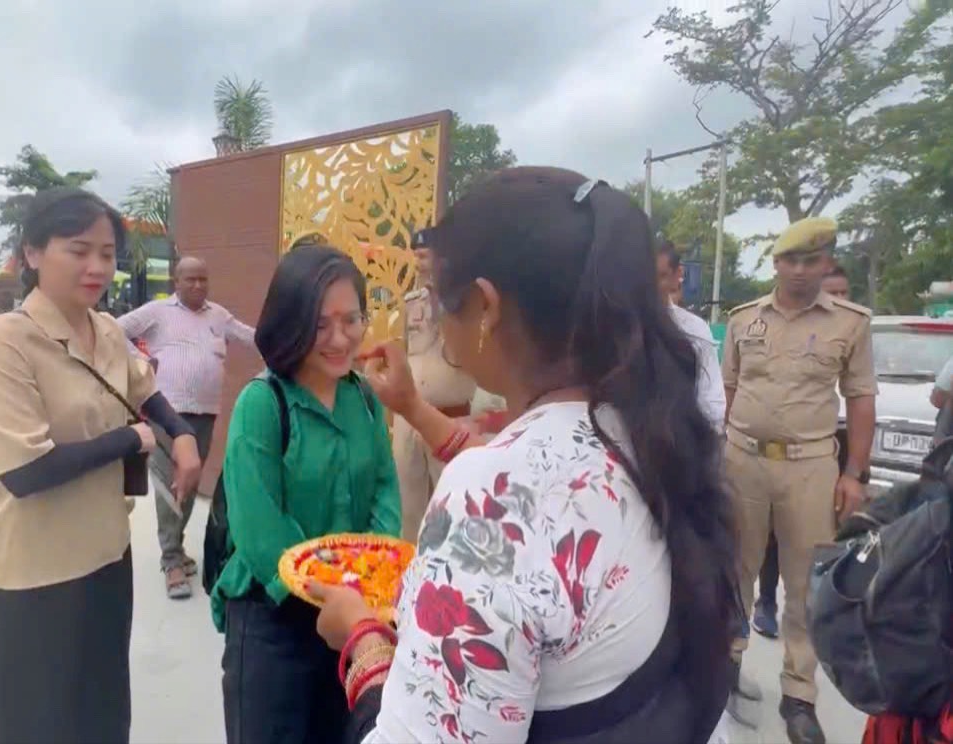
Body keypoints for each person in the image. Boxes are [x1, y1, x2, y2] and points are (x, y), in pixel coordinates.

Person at [308, 167, 738, 744]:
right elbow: (538, 484)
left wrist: (364, 640)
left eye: (443, 299)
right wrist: (411, 405)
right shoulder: (650, 428)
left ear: (485, 306)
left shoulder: (490, 498)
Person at [0, 187, 201, 744]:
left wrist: (182, 433)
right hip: (32, 577)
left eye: (107, 253)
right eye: (79, 250)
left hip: (106, 559)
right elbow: (26, 472)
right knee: (36, 727)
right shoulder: (3, 341)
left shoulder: (108, 330)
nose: (98, 266)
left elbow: (145, 392)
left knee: (104, 717)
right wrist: (130, 440)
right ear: (32, 252)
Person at [211, 244, 402, 744]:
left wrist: (373, 572)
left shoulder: (363, 397)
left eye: (351, 320)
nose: (340, 339)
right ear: (291, 323)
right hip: (275, 617)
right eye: (320, 325)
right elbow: (259, 530)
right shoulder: (263, 402)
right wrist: (328, 589)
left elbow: (384, 486)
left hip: (351, 616)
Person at [723, 216, 877, 744]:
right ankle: (726, 670)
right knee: (735, 571)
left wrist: (854, 474)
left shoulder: (850, 324)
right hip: (742, 460)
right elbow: (727, 391)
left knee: (804, 583)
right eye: (790, 259)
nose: (799, 270)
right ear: (776, 264)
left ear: (826, 263)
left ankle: (799, 695)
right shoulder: (744, 320)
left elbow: (860, 399)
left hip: (810, 466)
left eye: (811, 260)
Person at [117, 256, 256, 599]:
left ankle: (176, 547)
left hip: (204, 414)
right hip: (167, 413)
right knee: (170, 483)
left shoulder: (218, 315)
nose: (197, 285)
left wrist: (288, 335)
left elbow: (251, 337)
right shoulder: (158, 311)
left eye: (202, 279)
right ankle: (171, 561)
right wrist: (141, 360)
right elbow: (114, 330)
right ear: (175, 281)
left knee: (190, 482)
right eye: (190, 279)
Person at [752, 259, 855, 641]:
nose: (840, 299)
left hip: (831, 444)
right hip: (784, 449)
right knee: (771, 534)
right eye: (833, 292)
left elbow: (863, 397)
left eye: (845, 292)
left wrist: (855, 471)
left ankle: (817, 620)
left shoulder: (855, 330)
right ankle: (766, 602)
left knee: (818, 540)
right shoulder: (782, 328)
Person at [393, 229, 478, 541]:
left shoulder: (461, 304)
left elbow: (462, 353)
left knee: (448, 498)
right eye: (416, 256)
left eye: (425, 256)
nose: (419, 263)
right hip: (409, 415)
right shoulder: (412, 303)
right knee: (408, 501)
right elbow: (409, 348)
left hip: (448, 415)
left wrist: (442, 302)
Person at [656, 240, 726, 431]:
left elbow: (711, 398)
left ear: (678, 275)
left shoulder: (694, 329)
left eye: (660, 276)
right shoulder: (615, 326)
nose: (649, 285)